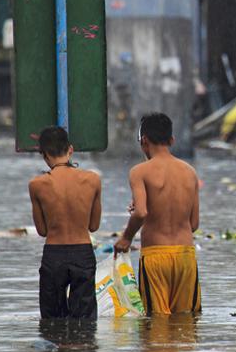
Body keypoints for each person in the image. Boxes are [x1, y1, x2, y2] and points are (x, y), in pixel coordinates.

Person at [114, 113, 202, 315]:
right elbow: (194, 224)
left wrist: (126, 238)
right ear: (172, 140)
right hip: (185, 256)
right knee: (186, 322)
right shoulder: (190, 172)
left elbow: (141, 212)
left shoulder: (139, 171)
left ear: (144, 140)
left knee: (156, 324)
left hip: (155, 256)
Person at [28, 126, 102, 319]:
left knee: (52, 322)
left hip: (54, 255)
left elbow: (42, 231)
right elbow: (94, 226)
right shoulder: (93, 180)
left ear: (44, 155)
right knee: (84, 322)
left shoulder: (37, 185)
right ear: (70, 150)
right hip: (83, 253)